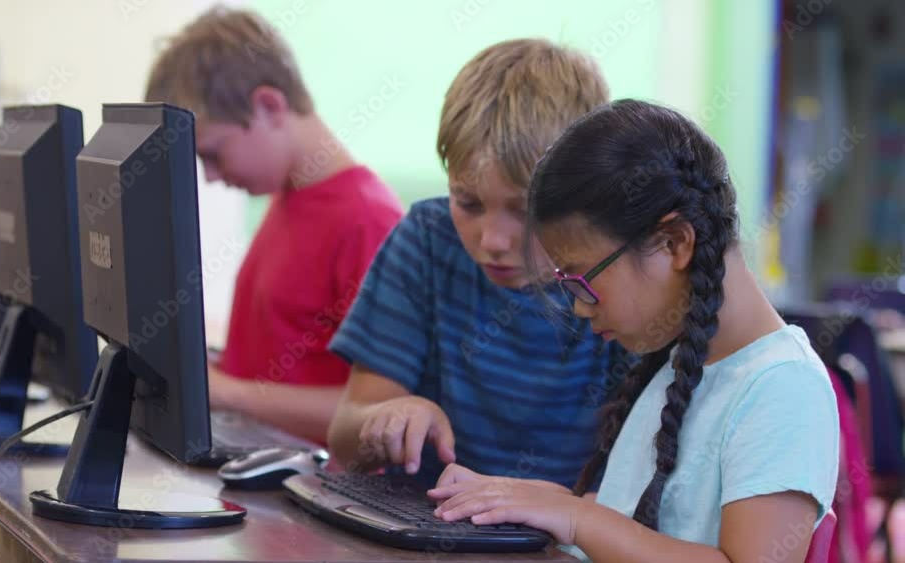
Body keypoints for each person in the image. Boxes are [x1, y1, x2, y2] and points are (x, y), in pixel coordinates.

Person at [429, 100, 839, 562]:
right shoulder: (681, 363)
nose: (579, 308)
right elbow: (636, 526)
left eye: (582, 280)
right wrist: (528, 500)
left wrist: (578, 518)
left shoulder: (784, 386)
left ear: (674, 242)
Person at [326, 39, 628, 487]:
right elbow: (344, 439)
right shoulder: (427, 240)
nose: (492, 241)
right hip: (423, 522)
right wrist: (388, 418)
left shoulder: (622, 279)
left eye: (525, 210)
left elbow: (636, 490)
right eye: (467, 203)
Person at [145, 7, 402, 443]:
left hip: (307, 476)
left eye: (212, 153)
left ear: (268, 105)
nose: (210, 176)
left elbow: (379, 413)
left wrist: (227, 393)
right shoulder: (286, 197)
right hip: (253, 458)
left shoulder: (368, 220)